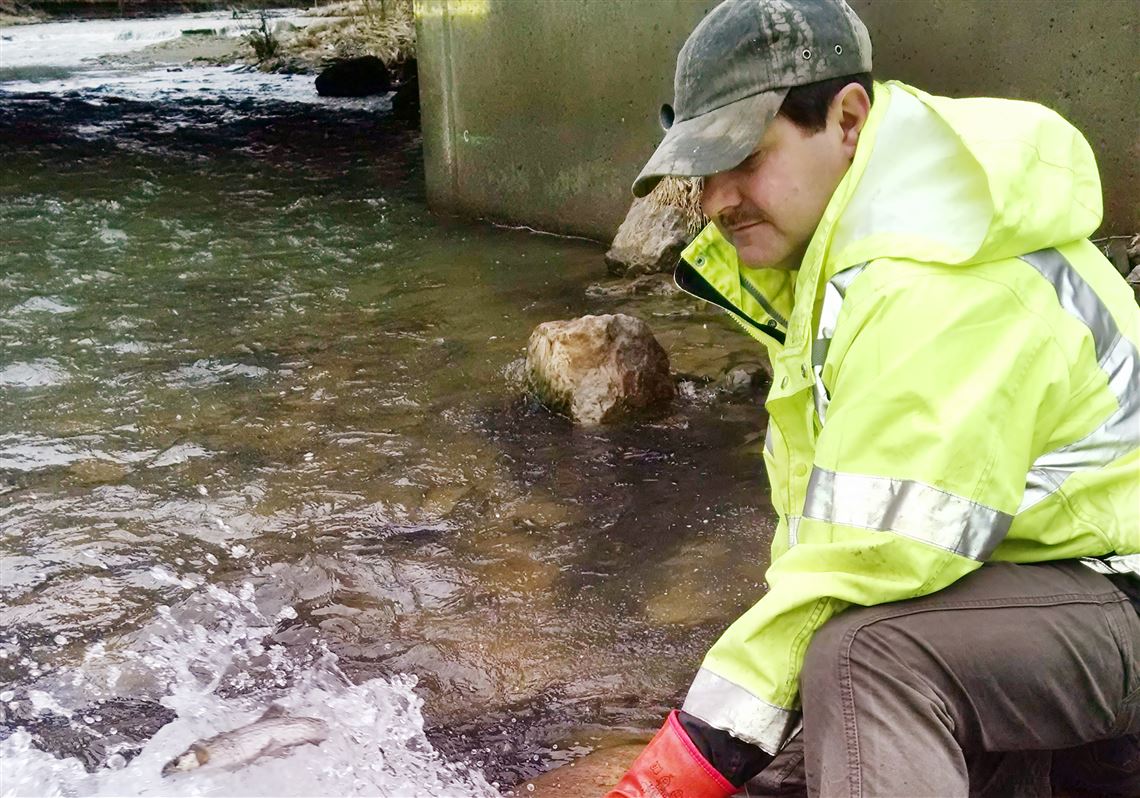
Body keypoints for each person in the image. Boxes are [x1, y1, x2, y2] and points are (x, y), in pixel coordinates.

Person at [605, 0, 1140, 796]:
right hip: (1045, 585)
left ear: (847, 120)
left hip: (1107, 594)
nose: (715, 201)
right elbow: (846, 545)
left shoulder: (931, 275)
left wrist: (681, 766)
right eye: (704, 173)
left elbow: (872, 562)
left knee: (865, 659)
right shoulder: (855, 253)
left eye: (744, 157)